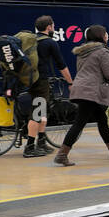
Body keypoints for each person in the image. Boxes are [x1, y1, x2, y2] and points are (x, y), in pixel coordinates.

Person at [53, 25, 109, 166]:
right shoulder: (102, 52)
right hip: (91, 92)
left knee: (102, 120)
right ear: (100, 36)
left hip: (82, 89)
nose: (107, 37)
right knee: (79, 123)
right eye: (105, 34)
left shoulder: (83, 51)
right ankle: (61, 155)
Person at [28, 15, 73, 155]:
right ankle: (29, 148)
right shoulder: (49, 42)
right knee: (37, 114)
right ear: (49, 27)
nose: (53, 28)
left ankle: (41, 142)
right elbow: (62, 65)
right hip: (39, 83)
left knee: (42, 112)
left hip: (32, 81)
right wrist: (70, 82)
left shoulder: (32, 41)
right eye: (53, 26)